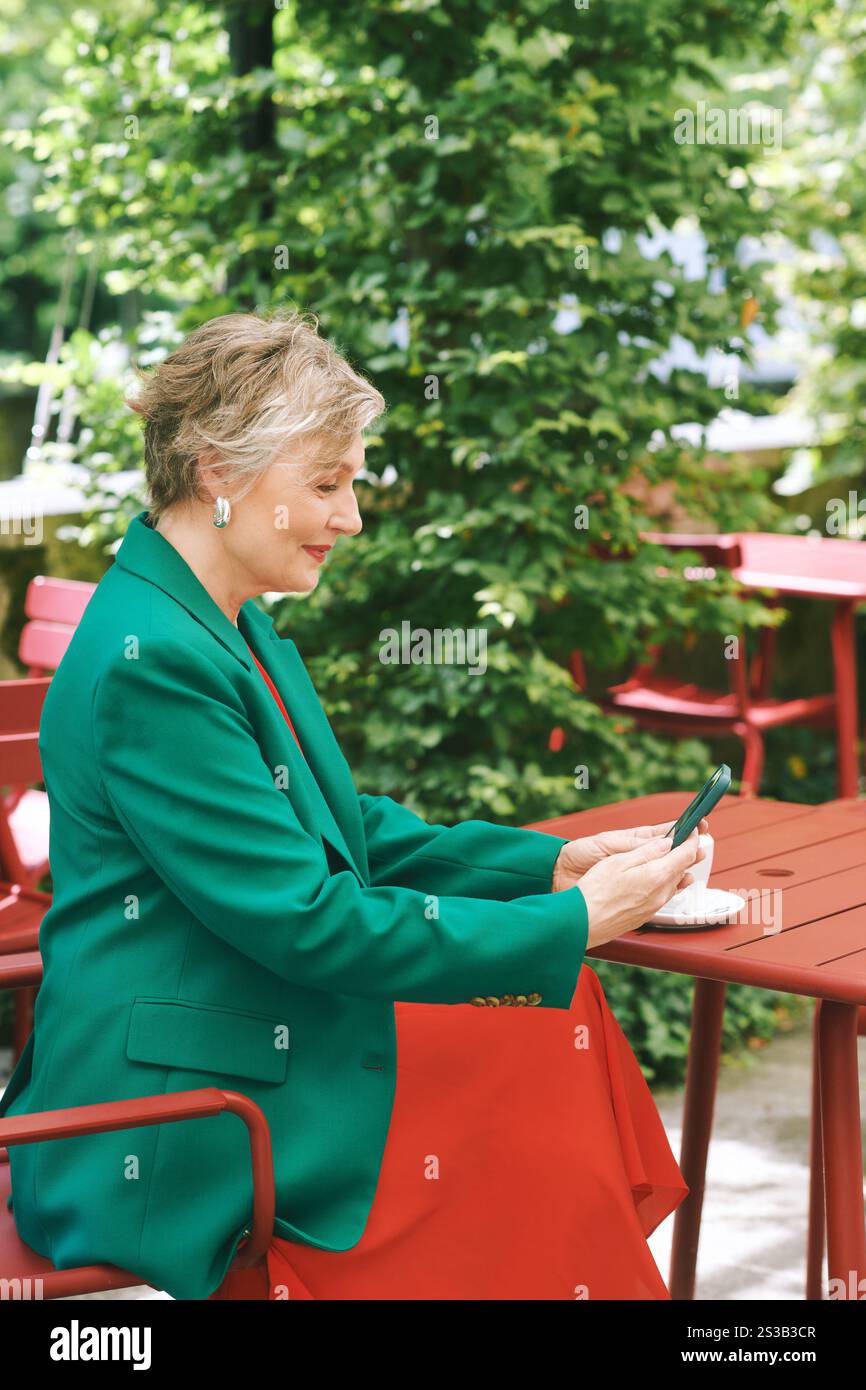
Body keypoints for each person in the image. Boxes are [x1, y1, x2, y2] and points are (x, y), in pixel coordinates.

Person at [0, 309, 704, 1300]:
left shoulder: (209, 621)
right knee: (537, 1049)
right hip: (171, 1111)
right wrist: (573, 921)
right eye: (325, 484)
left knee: (554, 1014)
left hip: (240, 1035)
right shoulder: (158, 659)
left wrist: (548, 869)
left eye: (351, 482)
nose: (351, 516)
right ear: (217, 473)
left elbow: (343, 829)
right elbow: (308, 918)